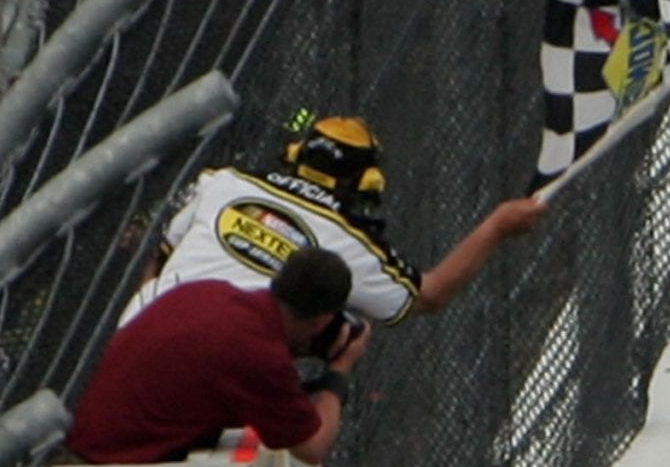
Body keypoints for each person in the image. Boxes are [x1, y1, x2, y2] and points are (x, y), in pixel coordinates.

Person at [120, 113, 545, 327]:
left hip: (138, 335)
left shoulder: (223, 181)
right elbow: (427, 295)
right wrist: (496, 227)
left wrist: (146, 317)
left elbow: (158, 261)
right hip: (227, 370)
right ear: (366, 181)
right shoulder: (352, 241)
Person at [67, 247, 370, 467]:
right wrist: (339, 369)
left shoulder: (210, 292)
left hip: (71, 436)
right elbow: (312, 447)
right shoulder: (258, 354)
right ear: (320, 321)